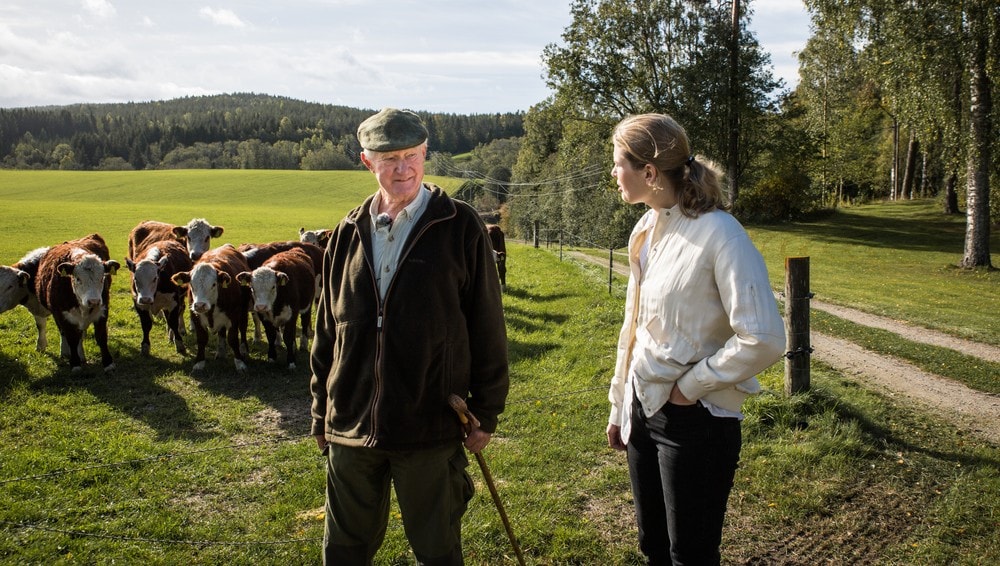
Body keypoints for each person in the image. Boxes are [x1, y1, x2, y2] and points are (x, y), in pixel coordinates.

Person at [309, 108, 509, 565]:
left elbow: (487, 324)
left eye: (412, 155)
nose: (403, 168)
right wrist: (322, 410)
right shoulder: (345, 233)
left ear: (425, 155)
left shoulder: (459, 226)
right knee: (343, 552)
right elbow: (327, 331)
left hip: (430, 423)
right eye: (390, 158)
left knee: (438, 551)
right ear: (367, 162)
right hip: (351, 426)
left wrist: (487, 409)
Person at [605, 113, 786, 565]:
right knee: (654, 547)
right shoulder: (646, 229)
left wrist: (691, 387)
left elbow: (764, 337)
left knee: (692, 555)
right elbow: (634, 327)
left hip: (697, 424)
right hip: (644, 410)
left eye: (617, 163)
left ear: (649, 172)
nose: (613, 173)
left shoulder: (721, 234)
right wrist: (619, 406)